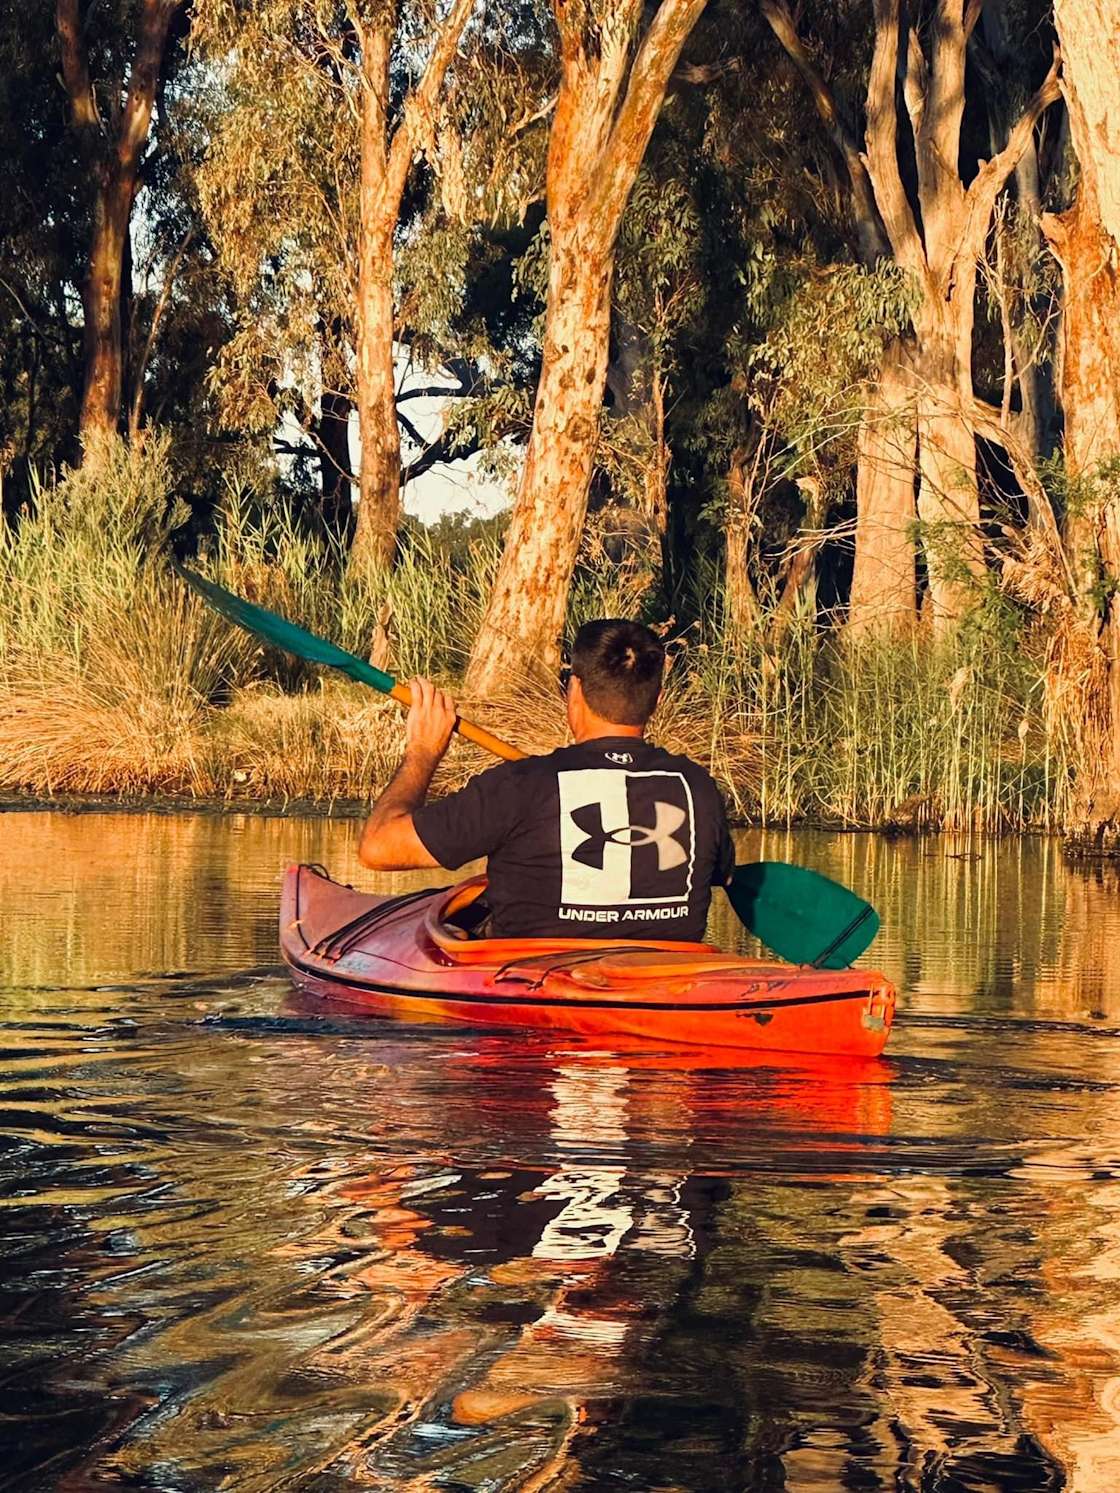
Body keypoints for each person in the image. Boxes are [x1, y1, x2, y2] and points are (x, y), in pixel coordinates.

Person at [358, 619, 735, 942]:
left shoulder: (521, 786)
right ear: (657, 699)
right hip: (668, 988)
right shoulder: (699, 788)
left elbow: (377, 848)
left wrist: (423, 751)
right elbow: (721, 871)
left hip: (531, 994)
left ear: (574, 690)